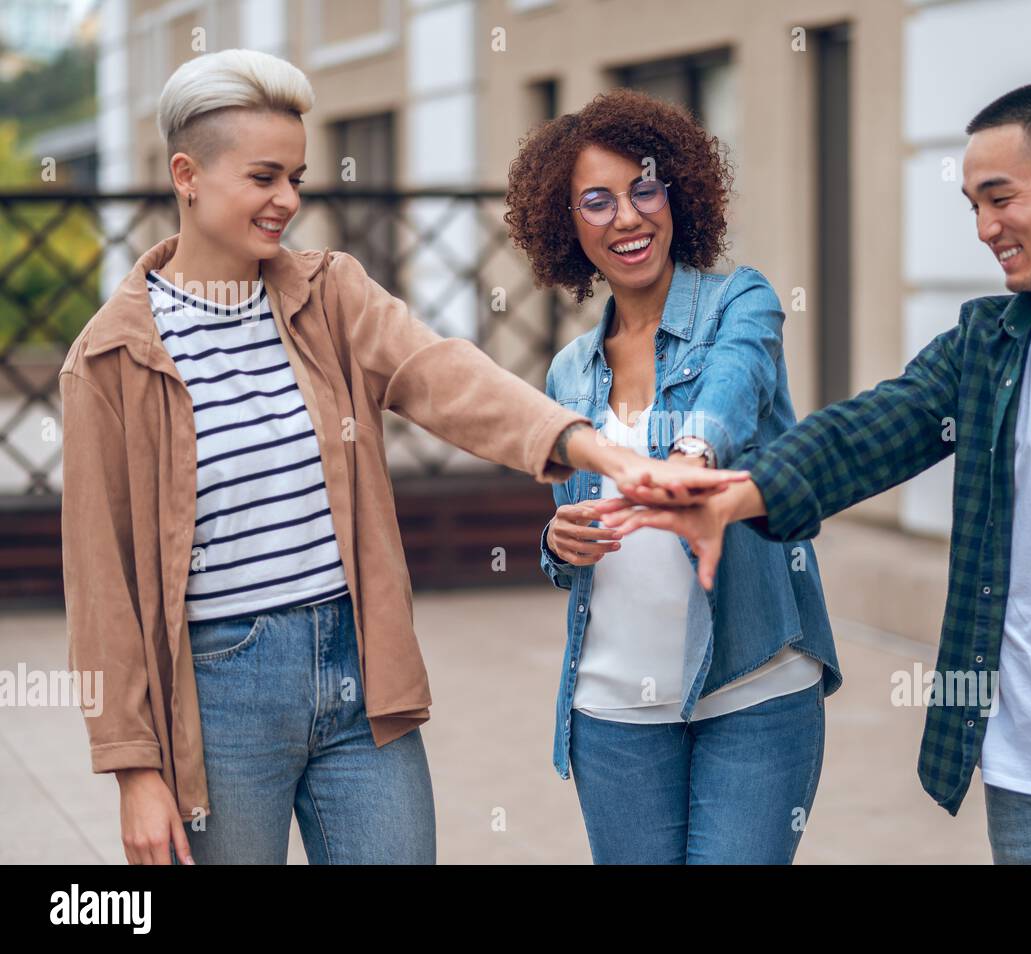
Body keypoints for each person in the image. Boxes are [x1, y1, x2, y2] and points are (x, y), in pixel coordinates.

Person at [59, 49, 745, 865]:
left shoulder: (330, 293)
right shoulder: (110, 359)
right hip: (219, 693)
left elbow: (446, 375)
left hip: (360, 673)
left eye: (298, 177)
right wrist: (134, 769)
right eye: (265, 177)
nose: (289, 201)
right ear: (187, 175)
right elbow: (101, 582)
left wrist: (599, 450)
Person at [597, 81, 1031, 865]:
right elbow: (871, 431)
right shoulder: (986, 345)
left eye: (1000, 199)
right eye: (972, 206)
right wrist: (734, 496)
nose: (984, 228)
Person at [505, 88, 842, 863]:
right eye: (597, 201)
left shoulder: (741, 302)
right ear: (568, 224)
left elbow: (733, 386)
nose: (626, 218)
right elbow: (578, 538)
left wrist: (691, 457)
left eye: (643, 188)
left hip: (753, 687)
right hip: (614, 708)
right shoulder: (568, 371)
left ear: (677, 194)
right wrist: (559, 547)